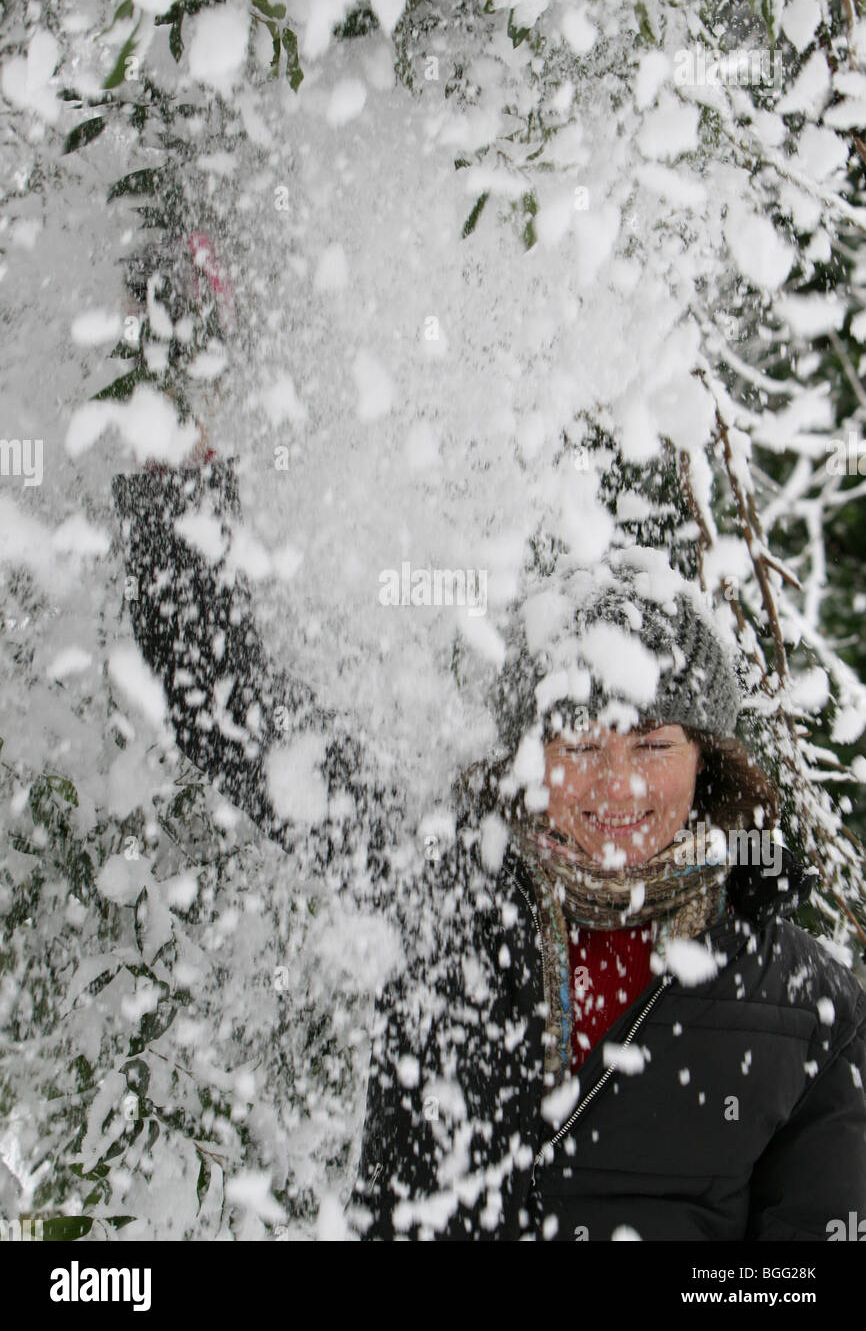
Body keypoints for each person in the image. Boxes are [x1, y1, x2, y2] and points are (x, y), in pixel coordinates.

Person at [113, 453, 866, 1242]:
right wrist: (178, 448)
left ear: (707, 760)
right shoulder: (443, 890)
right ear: (524, 757)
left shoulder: (806, 1005)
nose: (617, 788)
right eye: (578, 742)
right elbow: (226, 702)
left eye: (652, 745)